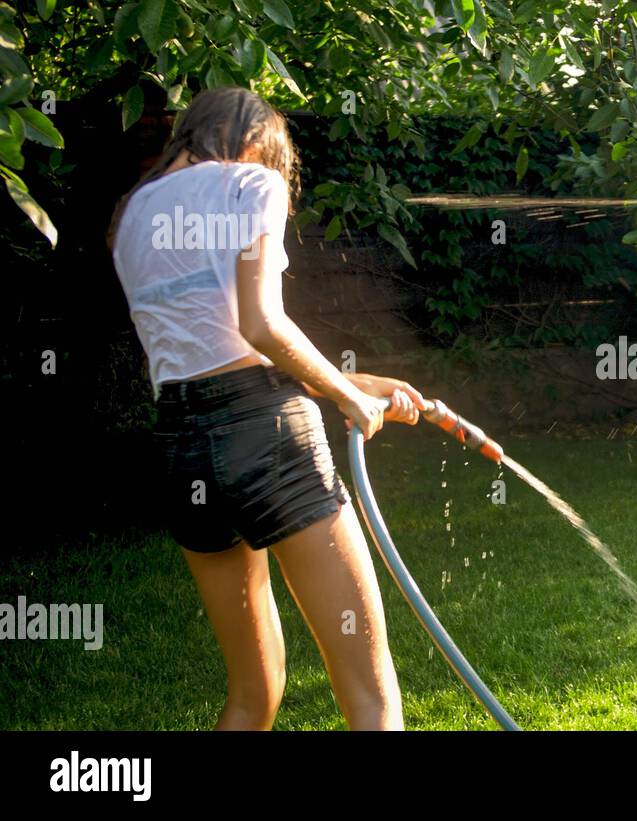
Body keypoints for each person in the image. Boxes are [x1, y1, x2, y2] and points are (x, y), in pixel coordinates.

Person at [109, 86, 425, 730]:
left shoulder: (131, 212)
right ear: (254, 143)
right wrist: (347, 399)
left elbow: (216, 349)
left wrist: (363, 383)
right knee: (370, 692)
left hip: (180, 447)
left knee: (254, 693)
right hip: (268, 438)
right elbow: (261, 326)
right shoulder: (251, 183)